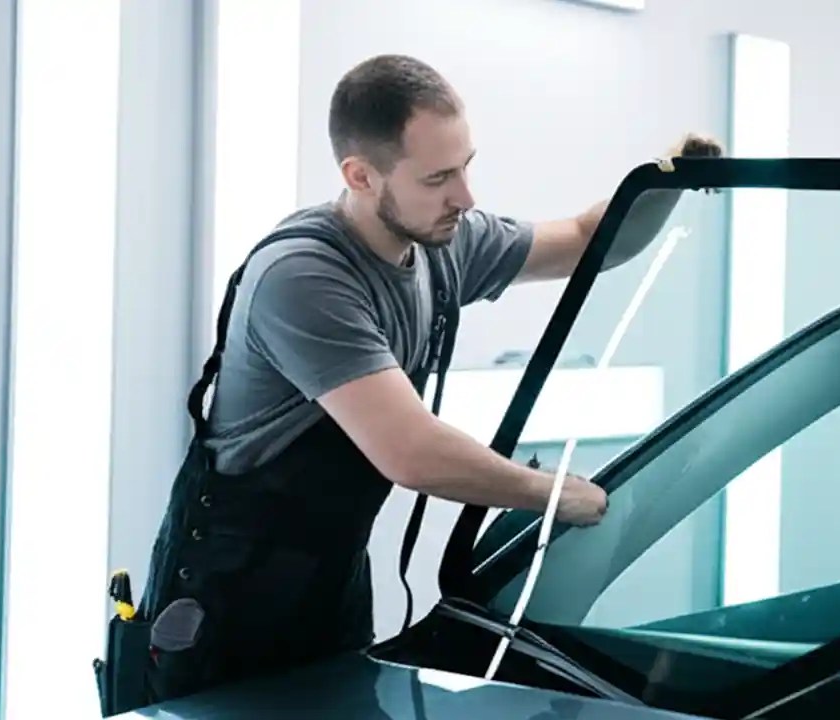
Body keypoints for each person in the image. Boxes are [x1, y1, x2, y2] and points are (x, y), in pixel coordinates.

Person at [135, 53, 723, 705]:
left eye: (467, 166)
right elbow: (411, 453)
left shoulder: (445, 244)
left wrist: (662, 181)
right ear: (360, 175)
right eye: (439, 177)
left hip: (330, 593)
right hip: (228, 612)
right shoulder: (304, 278)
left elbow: (589, 239)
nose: (466, 197)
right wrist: (556, 496)